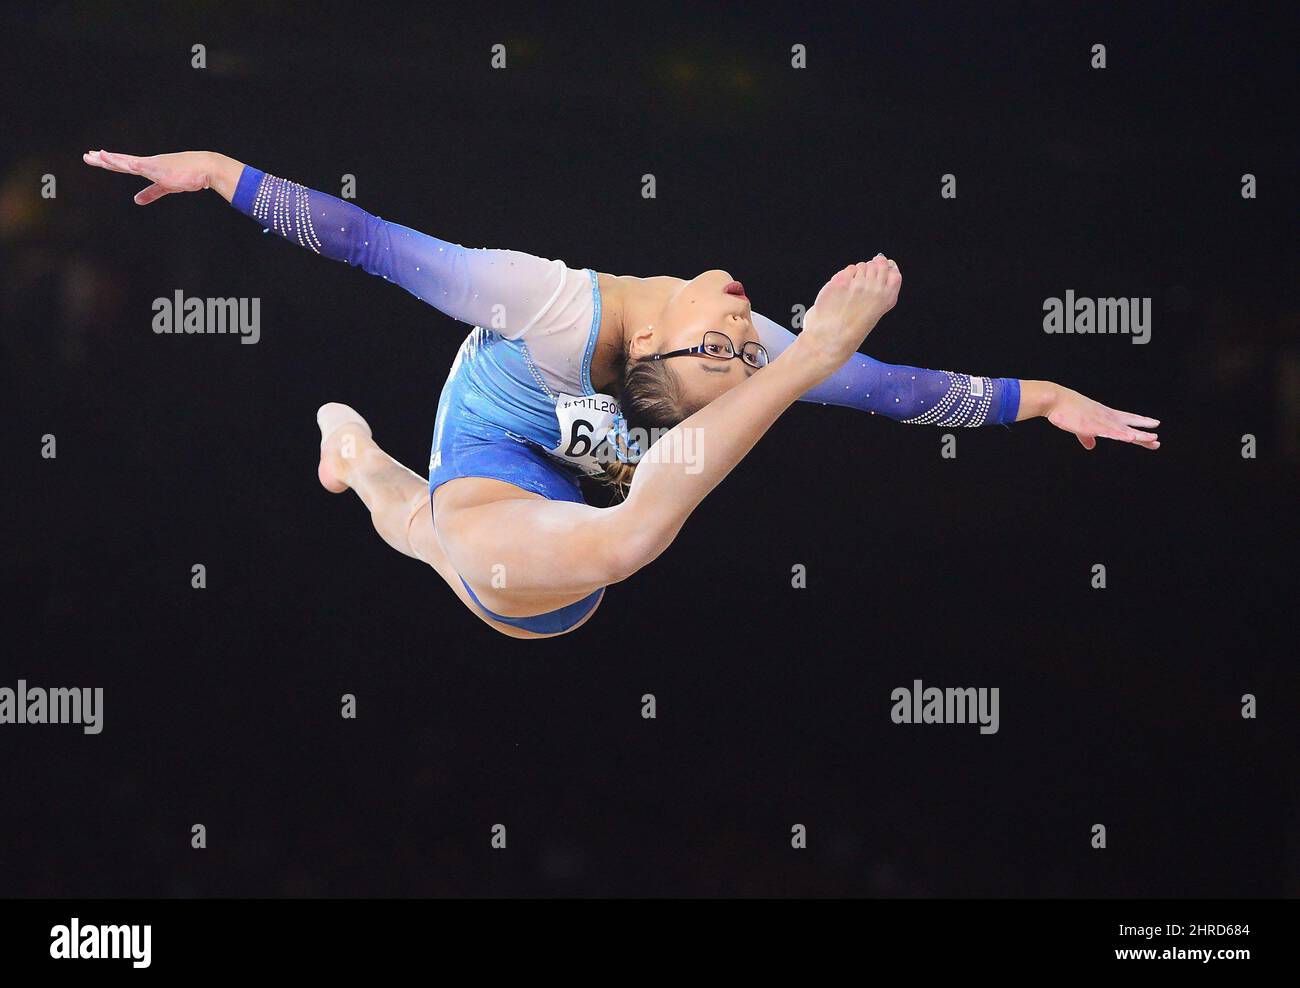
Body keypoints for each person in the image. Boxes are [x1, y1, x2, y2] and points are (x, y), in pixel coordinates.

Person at [83, 149, 1160, 639]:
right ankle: (365, 465)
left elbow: (885, 388)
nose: (743, 327)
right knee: (528, 564)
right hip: (497, 473)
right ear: (643, 338)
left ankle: (363, 464)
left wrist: (1045, 394)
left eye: (734, 345)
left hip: (571, 465)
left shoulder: (711, 351)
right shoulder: (544, 303)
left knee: (464, 546)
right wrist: (224, 174)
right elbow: (373, 243)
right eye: (740, 340)